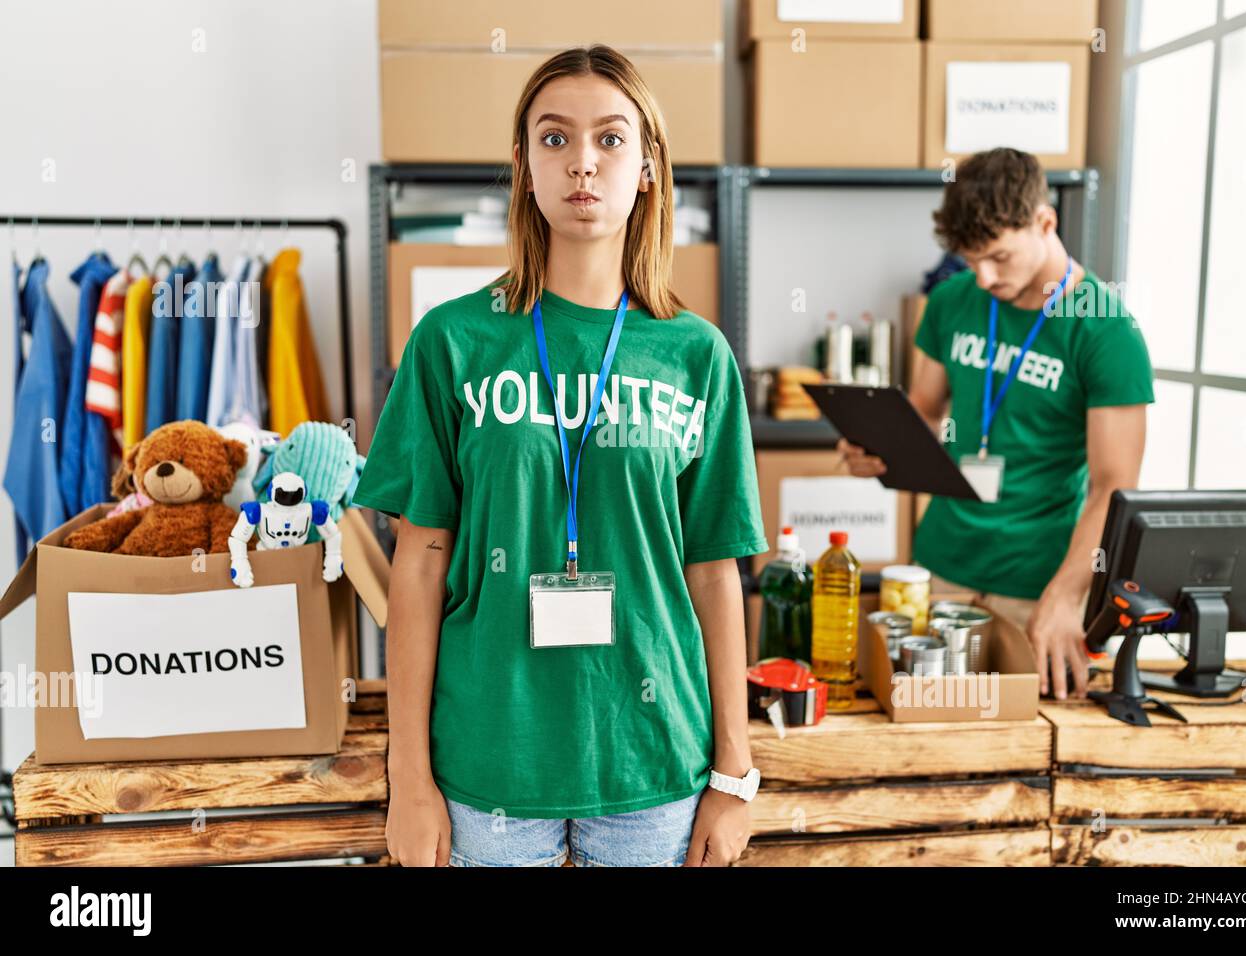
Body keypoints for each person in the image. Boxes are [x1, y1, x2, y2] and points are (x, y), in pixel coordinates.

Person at [352, 45, 768, 867]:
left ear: (648, 166)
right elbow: (420, 558)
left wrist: (736, 770)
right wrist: (409, 777)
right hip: (488, 763)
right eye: (554, 139)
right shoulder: (453, 342)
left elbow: (715, 573)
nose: (583, 161)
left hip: (654, 760)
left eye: (612, 139)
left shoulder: (697, 354)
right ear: (523, 167)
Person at [838, 148, 1154, 701]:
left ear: (1045, 223)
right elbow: (926, 410)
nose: (983, 276)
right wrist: (880, 446)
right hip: (940, 567)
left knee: (1023, 763)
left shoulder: (1107, 331)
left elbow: (1114, 487)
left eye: (999, 257)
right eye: (969, 258)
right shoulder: (952, 300)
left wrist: (1065, 595)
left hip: (1037, 584)